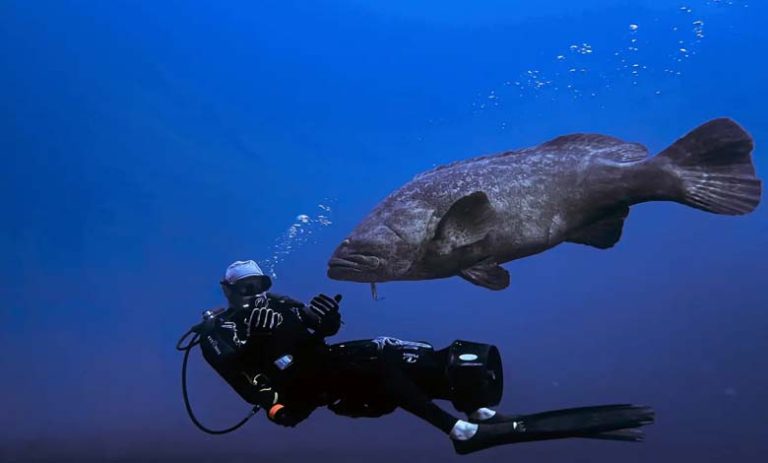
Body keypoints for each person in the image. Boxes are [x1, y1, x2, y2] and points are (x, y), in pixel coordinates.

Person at [197, 260, 655, 455]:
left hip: (328, 368)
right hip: (297, 390)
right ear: (228, 290)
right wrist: (274, 404)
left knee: (401, 351)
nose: (254, 294)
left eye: (259, 286)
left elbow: (322, 334)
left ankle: (476, 410)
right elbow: (237, 375)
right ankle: (460, 433)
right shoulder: (218, 330)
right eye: (245, 289)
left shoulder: (284, 304)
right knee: (377, 361)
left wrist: (325, 321)